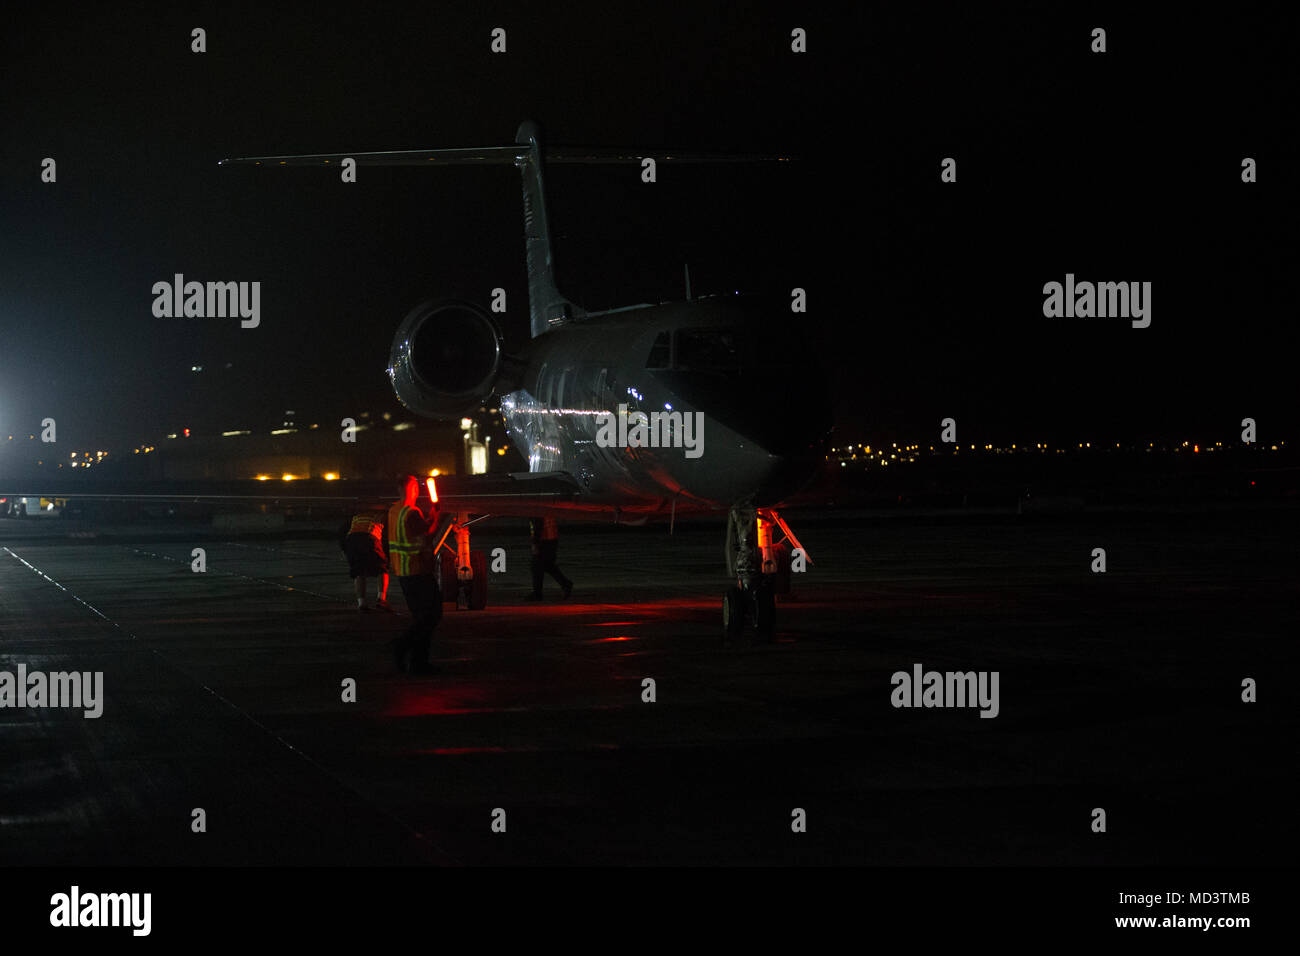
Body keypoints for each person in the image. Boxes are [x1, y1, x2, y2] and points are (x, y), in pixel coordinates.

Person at [387, 475, 442, 674]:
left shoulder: (395, 511)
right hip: (418, 571)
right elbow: (428, 534)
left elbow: (414, 530)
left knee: (422, 617)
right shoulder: (410, 513)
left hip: (403, 573)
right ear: (412, 490)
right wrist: (437, 516)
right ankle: (402, 646)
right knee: (432, 615)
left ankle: (419, 663)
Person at [338, 510, 391, 610]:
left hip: (351, 540)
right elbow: (386, 538)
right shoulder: (381, 516)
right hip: (370, 537)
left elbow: (342, 532)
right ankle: (381, 599)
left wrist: (344, 549)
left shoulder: (357, 517)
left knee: (359, 572)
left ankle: (362, 603)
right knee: (382, 569)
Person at [526, 515, 572, 600]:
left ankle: (537, 593)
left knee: (537, 566)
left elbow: (538, 524)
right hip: (551, 537)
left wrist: (535, 542)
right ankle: (565, 584)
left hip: (545, 538)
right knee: (547, 565)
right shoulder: (544, 509)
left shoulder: (536, 509)